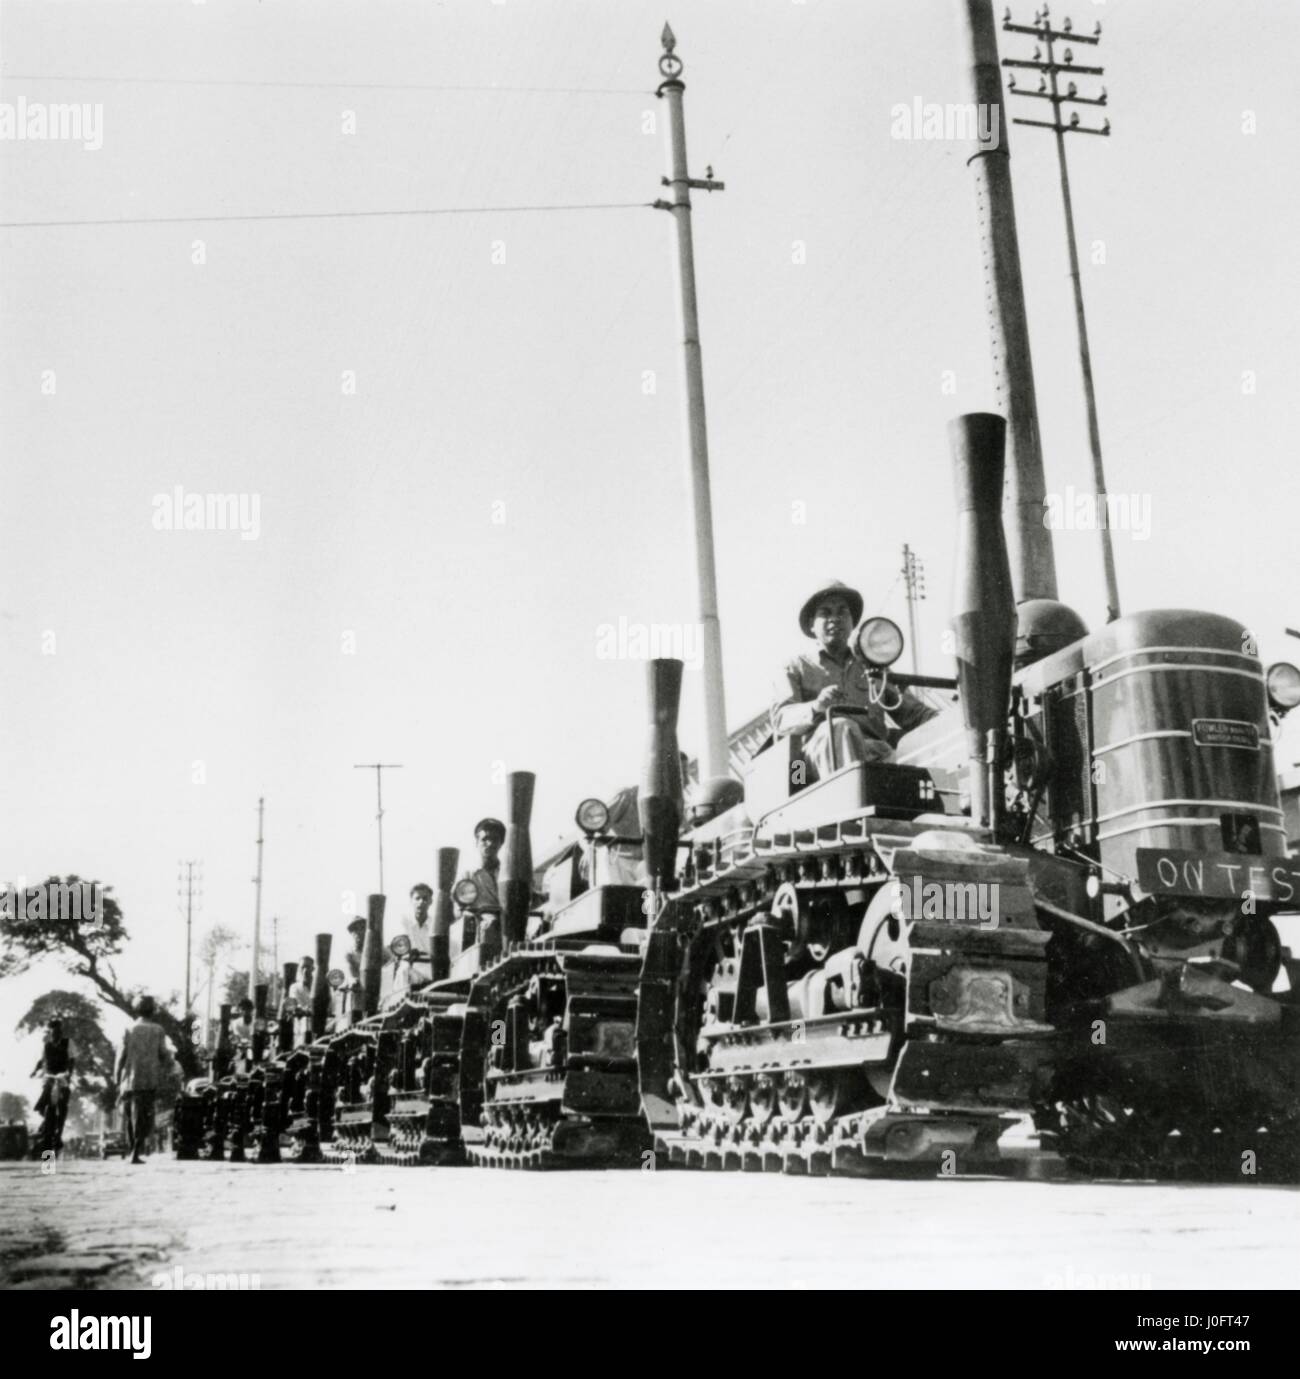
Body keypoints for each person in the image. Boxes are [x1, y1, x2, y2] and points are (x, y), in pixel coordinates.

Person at [773, 580, 938, 782]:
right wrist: (816, 707)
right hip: (814, 763)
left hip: (876, 755)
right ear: (811, 625)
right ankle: (850, 799)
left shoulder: (873, 666)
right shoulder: (796, 667)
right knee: (841, 727)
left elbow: (914, 713)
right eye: (825, 613)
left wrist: (956, 720)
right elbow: (781, 720)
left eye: (842, 612)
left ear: (852, 622)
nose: (835, 619)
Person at [115, 996, 173, 1165]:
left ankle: (133, 1150)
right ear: (152, 1010)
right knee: (143, 1116)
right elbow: (163, 1053)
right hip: (149, 1079)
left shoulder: (129, 1028)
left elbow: (120, 1056)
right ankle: (135, 1151)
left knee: (131, 1115)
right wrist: (169, 1065)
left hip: (130, 1080)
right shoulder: (158, 1030)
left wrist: (116, 1077)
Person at [32, 1019, 75, 1149]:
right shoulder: (46, 1046)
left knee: (62, 1106)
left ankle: (58, 1132)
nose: (57, 1034)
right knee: (42, 1105)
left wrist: (69, 1074)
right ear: (50, 1033)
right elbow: (42, 1060)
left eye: (59, 1031)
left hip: (62, 1078)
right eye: (54, 1032)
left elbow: (72, 1059)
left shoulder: (68, 1043)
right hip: (50, 1078)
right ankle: (48, 1122)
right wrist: (35, 1070)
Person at [392, 884, 433, 994]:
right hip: (410, 965)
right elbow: (401, 947)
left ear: (431, 902)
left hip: (430, 968)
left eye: (425, 898)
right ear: (411, 901)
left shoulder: (435, 925)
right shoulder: (404, 922)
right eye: (417, 898)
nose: (421, 902)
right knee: (403, 971)